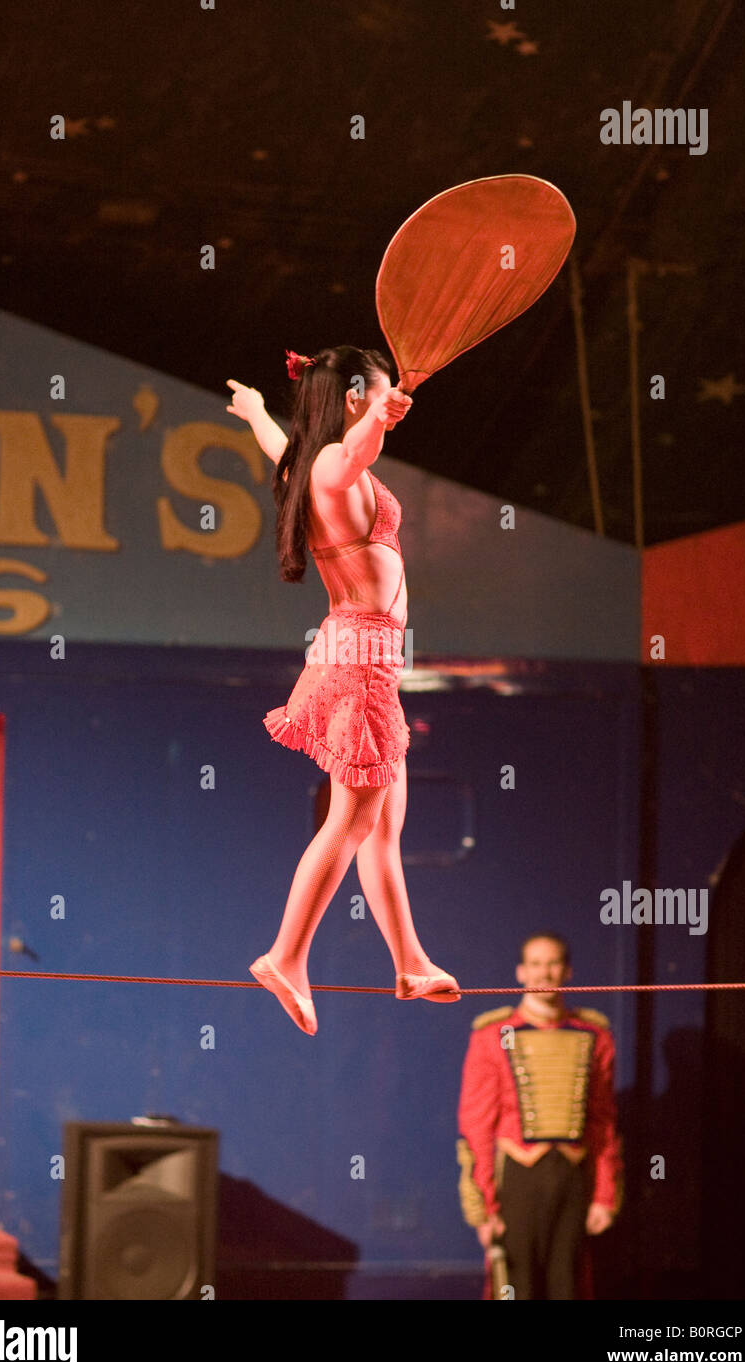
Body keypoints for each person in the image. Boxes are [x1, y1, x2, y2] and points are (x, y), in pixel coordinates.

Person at [225, 346, 460, 1036]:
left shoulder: (304, 463)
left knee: (382, 829)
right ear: (357, 395)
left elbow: (281, 445)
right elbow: (357, 448)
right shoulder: (334, 461)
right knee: (352, 823)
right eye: (376, 394)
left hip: (361, 659)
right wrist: (382, 415)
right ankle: (286, 956)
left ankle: (410, 961)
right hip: (360, 664)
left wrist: (253, 411)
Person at [456, 933, 622, 1299]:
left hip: (573, 1176)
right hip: (516, 1177)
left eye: (551, 964)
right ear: (520, 972)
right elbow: (477, 1124)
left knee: (570, 1285)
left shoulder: (594, 1035)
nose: (543, 973)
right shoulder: (493, 1035)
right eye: (535, 964)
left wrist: (605, 1194)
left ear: (567, 971)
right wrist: (484, 1205)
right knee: (516, 1286)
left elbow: (603, 1120)